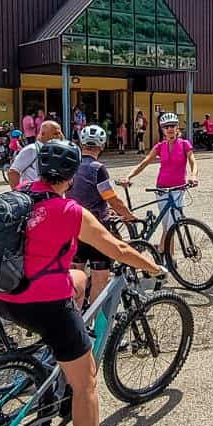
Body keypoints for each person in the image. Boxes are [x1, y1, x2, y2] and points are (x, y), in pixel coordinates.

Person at [0, 139, 163, 426]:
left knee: (79, 278)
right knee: (86, 385)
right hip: (45, 304)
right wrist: (153, 267)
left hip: (5, 296)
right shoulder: (70, 210)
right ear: (70, 175)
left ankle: (59, 356)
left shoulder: (20, 196)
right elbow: (118, 249)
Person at [71, 125, 140, 304]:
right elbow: (111, 198)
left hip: (74, 226)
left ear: (81, 144)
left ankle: (75, 316)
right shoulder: (98, 168)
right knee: (99, 278)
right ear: (102, 146)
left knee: (75, 277)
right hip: (96, 228)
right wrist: (128, 215)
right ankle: (94, 319)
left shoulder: (73, 165)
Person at [119, 112, 198, 248]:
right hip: (162, 189)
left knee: (172, 225)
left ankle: (163, 253)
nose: (170, 129)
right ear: (162, 130)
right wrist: (128, 176)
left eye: (172, 126)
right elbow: (144, 163)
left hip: (178, 189)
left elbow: (193, 161)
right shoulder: (160, 147)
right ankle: (165, 254)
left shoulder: (184, 144)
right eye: (166, 127)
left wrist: (193, 175)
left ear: (177, 127)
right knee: (168, 225)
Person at [8, 120, 63, 188]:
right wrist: (18, 193)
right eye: (56, 134)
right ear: (43, 134)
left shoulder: (54, 151)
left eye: (60, 133)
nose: (60, 136)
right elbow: (13, 173)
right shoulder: (31, 150)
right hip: (33, 193)